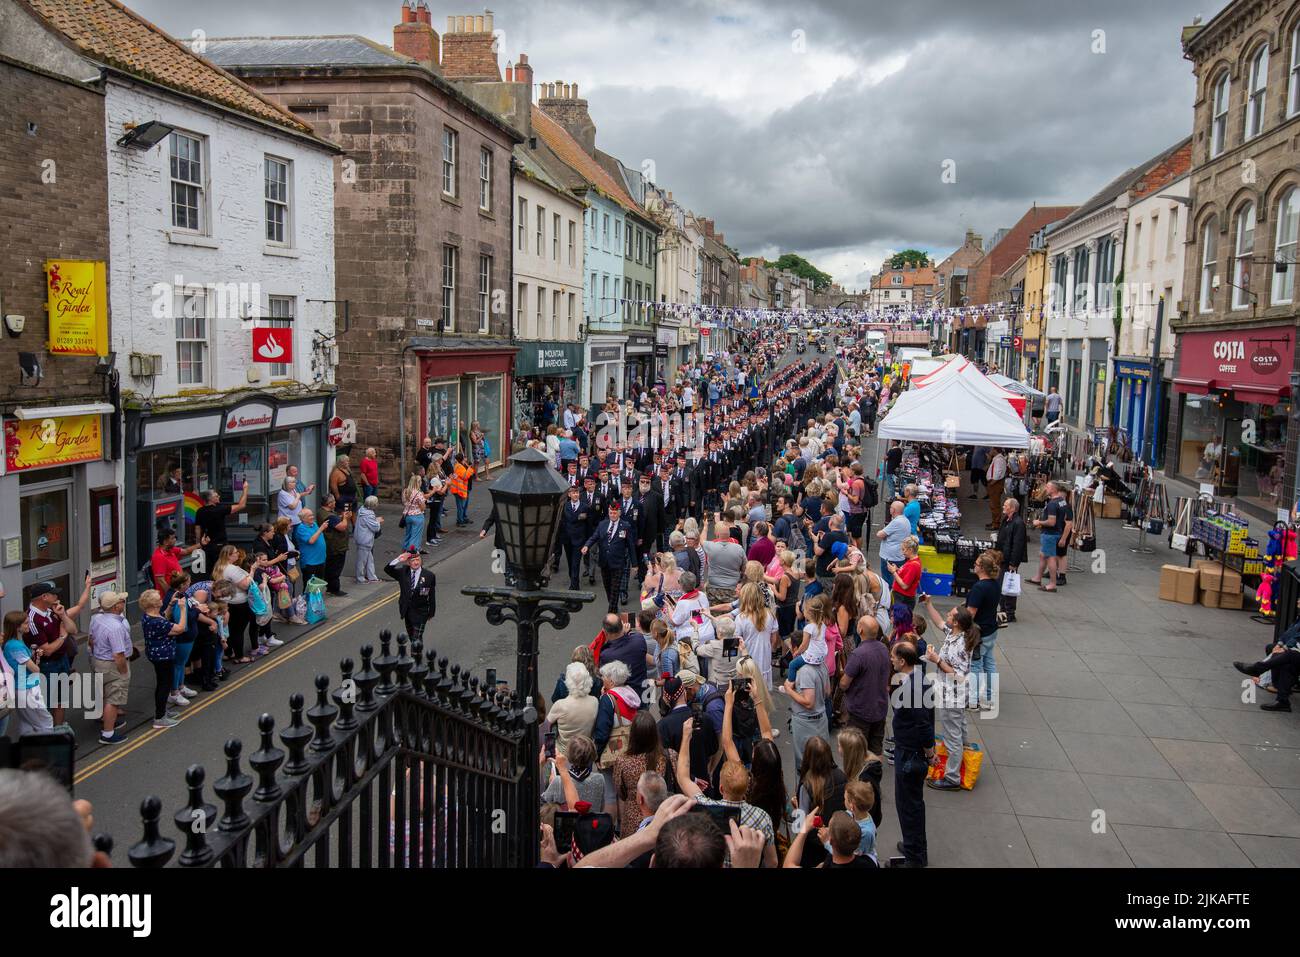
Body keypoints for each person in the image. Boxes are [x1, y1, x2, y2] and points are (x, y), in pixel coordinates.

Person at [674, 718, 778, 867]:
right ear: (747, 787)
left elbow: (682, 776)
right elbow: (772, 862)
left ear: (721, 788)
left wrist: (686, 737)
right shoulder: (763, 817)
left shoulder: (706, 808)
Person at [919, 595, 980, 791]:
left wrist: (937, 660)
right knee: (959, 730)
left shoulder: (960, 645)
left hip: (952, 696)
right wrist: (928, 604)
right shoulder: (955, 634)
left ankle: (952, 777)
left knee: (951, 736)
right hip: (952, 694)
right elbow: (938, 621)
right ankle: (965, 757)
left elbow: (958, 676)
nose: (947, 614)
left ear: (957, 623)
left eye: (951, 615)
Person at [25, 576, 91, 731]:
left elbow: (73, 630)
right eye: (54, 594)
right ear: (44, 597)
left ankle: (59, 730)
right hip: (47, 665)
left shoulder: (51, 611)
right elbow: (46, 650)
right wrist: (62, 636)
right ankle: (47, 734)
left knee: (60, 700)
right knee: (48, 703)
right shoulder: (33, 619)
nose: (57, 597)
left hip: (62, 660)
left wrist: (62, 616)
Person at [890, 641, 934, 867]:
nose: (891, 660)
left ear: (902, 661)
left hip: (909, 753)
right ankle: (914, 847)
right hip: (912, 750)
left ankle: (914, 859)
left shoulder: (912, 687)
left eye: (893, 657)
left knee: (908, 805)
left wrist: (930, 751)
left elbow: (923, 723)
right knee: (913, 805)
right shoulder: (918, 679)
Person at [613, 711, 677, 837]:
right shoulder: (669, 756)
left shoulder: (622, 761)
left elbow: (621, 792)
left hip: (632, 823)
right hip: (660, 818)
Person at [840, 614, 890, 754]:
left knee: (855, 752)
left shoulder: (858, 654)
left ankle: (856, 776)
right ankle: (873, 774)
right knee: (875, 749)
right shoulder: (883, 649)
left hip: (860, 711)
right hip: (879, 709)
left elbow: (844, 683)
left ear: (860, 630)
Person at [88, 591, 132, 745]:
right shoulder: (116, 627)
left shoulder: (96, 619)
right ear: (115, 607)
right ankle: (108, 733)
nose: (122, 603)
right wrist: (124, 672)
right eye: (121, 601)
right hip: (113, 665)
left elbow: (91, 641)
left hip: (98, 661)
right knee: (113, 699)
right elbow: (118, 655)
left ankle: (107, 720)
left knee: (105, 693)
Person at [139, 589, 186, 730]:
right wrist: (183, 609)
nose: (161, 600)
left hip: (156, 654)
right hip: (163, 656)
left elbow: (164, 617)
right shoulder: (157, 622)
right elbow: (180, 628)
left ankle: (163, 711)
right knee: (164, 685)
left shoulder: (149, 616)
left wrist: (171, 605)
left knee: (162, 683)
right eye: (158, 599)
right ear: (154, 605)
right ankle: (160, 718)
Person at [3, 611, 53, 736]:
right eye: (25, 623)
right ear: (17, 627)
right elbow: (35, 670)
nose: (29, 625)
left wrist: (34, 657)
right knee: (45, 722)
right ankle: (47, 751)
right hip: (27, 689)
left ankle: (27, 752)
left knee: (27, 725)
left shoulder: (13, 643)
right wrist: (35, 662)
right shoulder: (15, 646)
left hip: (21, 688)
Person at [582, 499, 634, 615]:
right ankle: (614, 609)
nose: (613, 515)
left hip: (618, 563)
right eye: (611, 513)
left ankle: (611, 615)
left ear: (619, 513)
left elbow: (631, 546)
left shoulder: (625, 526)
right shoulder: (602, 524)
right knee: (608, 589)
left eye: (615, 513)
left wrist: (635, 564)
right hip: (604, 562)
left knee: (615, 590)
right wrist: (586, 546)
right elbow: (594, 537)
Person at [965, 551, 1002, 709]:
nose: (974, 565)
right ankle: (989, 697)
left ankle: (974, 701)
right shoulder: (994, 584)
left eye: (976, 564)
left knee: (975, 666)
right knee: (989, 664)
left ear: (982, 569)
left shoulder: (979, 587)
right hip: (991, 630)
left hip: (979, 634)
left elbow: (971, 613)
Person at [194, 483, 250, 578]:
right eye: (216, 496)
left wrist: (199, 543)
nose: (218, 496)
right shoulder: (219, 510)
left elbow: (197, 529)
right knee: (221, 570)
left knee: (208, 571)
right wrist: (245, 489)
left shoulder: (200, 511)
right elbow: (241, 505)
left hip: (206, 546)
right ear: (210, 499)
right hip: (220, 547)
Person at [546, 661, 599, 756]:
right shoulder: (594, 702)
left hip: (563, 753)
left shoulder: (560, 705)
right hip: (585, 752)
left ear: (568, 682)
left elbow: (546, 726)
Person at [541, 735, 606, 811]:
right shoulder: (600, 779)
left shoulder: (558, 781)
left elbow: (542, 805)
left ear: (569, 755)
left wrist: (551, 782)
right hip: (592, 821)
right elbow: (601, 808)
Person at [385, 547, 436, 644]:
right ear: (408, 562)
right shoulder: (403, 573)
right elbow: (387, 570)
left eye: (418, 560)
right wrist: (399, 559)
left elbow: (432, 595)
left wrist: (431, 612)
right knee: (413, 638)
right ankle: (417, 655)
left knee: (416, 638)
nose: (416, 562)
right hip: (407, 611)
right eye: (413, 560)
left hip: (421, 612)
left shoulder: (429, 576)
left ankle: (415, 658)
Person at [994, 498, 1028, 624]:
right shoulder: (1007, 520)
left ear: (1013, 508)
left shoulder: (1018, 523)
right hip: (1003, 558)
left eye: (1006, 505)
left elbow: (1018, 545)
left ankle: (1009, 613)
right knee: (1002, 585)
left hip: (1009, 561)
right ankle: (1003, 611)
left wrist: (1014, 563)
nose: (1004, 506)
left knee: (1008, 586)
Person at [1029, 480, 1063, 593]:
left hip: (1050, 534)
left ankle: (1052, 584)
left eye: (1048, 487)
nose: (1045, 489)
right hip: (1056, 533)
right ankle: (1037, 578)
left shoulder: (1053, 504)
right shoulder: (1062, 501)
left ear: (1054, 489)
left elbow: (1051, 522)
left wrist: (1039, 522)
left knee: (1050, 558)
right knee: (1043, 555)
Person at [150, 528, 207, 593]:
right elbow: (161, 580)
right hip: (171, 597)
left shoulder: (171, 549)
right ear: (165, 542)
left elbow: (186, 551)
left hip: (181, 590)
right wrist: (171, 595)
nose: (175, 540)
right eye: (172, 538)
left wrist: (201, 544)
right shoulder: (158, 557)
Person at [876, 500, 910, 587]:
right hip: (899, 555)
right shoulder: (906, 520)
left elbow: (880, 534)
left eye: (891, 507)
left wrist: (883, 532)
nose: (889, 509)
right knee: (897, 578)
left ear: (893, 510)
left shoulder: (896, 522)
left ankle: (889, 597)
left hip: (890, 556)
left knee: (887, 581)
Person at [353, 495, 384, 584]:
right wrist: (378, 521)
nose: (378, 504)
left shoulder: (362, 510)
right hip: (365, 540)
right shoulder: (368, 515)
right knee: (361, 561)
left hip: (362, 538)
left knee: (369, 560)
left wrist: (375, 519)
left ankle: (372, 577)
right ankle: (360, 579)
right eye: (376, 503)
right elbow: (375, 528)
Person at [293, 508, 328, 587]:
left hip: (320, 560)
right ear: (303, 518)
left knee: (319, 585)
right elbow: (311, 541)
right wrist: (321, 529)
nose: (312, 517)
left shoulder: (314, 524)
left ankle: (317, 599)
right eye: (309, 516)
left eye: (312, 515)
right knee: (309, 586)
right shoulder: (301, 528)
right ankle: (308, 599)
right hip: (310, 562)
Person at [886, 536, 923, 610]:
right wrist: (897, 569)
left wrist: (893, 572)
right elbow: (907, 574)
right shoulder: (912, 561)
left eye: (903, 550)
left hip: (903, 598)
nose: (902, 552)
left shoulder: (913, 565)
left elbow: (905, 585)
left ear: (910, 550)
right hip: (901, 597)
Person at [401, 473, 428, 551]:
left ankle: (405, 548)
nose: (421, 483)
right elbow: (423, 507)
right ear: (417, 483)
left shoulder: (405, 491)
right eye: (420, 482)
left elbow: (404, 503)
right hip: (417, 516)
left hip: (407, 515)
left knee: (408, 534)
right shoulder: (418, 493)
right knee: (415, 536)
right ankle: (412, 551)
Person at [450, 452, 477, 527]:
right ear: (462, 459)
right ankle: (460, 521)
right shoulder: (459, 467)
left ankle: (463, 518)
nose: (466, 459)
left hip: (464, 489)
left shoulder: (461, 465)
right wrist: (470, 469)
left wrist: (468, 466)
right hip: (460, 490)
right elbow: (465, 476)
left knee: (463, 506)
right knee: (461, 506)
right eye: (465, 457)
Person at [985, 448, 1007, 530]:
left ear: (995, 450)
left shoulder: (998, 460)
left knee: (994, 504)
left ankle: (996, 523)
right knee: (993, 504)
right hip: (995, 483)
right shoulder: (998, 459)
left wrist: (992, 482)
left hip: (995, 483)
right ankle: (994, 521)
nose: (989, 451)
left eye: (991, 450)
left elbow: (997, 473)